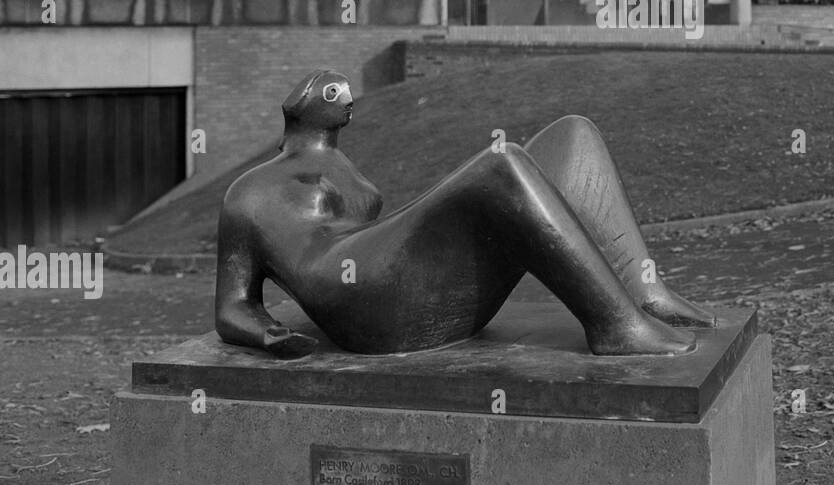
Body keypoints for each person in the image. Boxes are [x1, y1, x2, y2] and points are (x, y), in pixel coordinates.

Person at [215, 70, 713, 358]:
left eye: (345, 90)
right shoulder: (249, 192)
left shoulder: (341, 165)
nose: (347, 99)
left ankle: (643, 292)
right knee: (501, 164)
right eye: (332, 93)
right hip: (364, 310)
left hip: (404, 285)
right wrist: (263, 333)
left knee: (572, 135)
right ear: (300, 110)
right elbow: (231, 306)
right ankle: (616, 327)